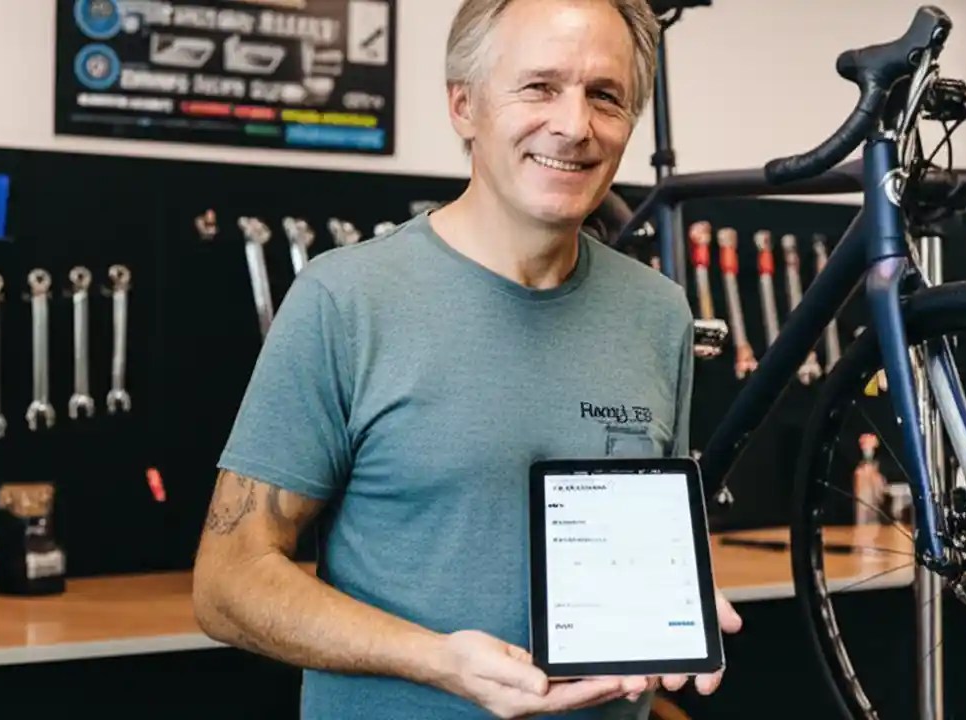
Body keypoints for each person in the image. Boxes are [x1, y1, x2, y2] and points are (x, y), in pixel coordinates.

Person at [191, 0, 742, 717]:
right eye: (539, 86)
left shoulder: (658, 313)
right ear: (463, 106)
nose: (574, 125)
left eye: (605, 95)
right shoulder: (346, 298)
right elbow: (227, 582)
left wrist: (673, 601)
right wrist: (439, 661)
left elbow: (633, 543)